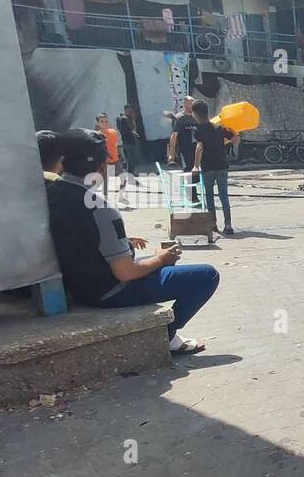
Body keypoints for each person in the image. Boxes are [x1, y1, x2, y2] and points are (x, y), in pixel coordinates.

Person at [46, 129, 218, 354]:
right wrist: (161, 259)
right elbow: (125, 273)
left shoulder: (51, 193)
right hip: (108, 291)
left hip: (76, 285)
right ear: (100, 168)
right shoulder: (101, 209)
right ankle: (167, 334)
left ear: (62, 163)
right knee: (207, 275)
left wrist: (125, 242)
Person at [190, 101, 237, 235]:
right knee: (224, 195)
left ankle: (213, 224)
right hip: (222, 165)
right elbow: (235, 139)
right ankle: (228, 225)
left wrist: (195, 166)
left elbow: (199, 147)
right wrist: (233, 132)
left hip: (208, 167)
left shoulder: (198, 130)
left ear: (195, 114)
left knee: (209, 196)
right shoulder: (219, 127)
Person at [95, 113, 128, 208]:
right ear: (98, 123)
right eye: (102, 121)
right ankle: (106, 200)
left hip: (116, 160)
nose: (104, 123)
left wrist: (120, 155)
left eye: (106, 121)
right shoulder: (97, 135)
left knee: (123, 178)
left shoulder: (113, 132)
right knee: (105, 182)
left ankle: (120, 197)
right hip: (105, 162)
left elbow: (116, 146)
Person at [116, 105, 142, 177]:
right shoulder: (124, 119)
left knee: (131, 159)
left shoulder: (128, 119)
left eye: (131, 111)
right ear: (125, 110)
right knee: (131, 160)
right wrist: (133, 133)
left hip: (129, 142)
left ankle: (130, 173)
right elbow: (125, 131)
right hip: (128, 142)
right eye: (129, 111)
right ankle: (130, 174)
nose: (130, 112)